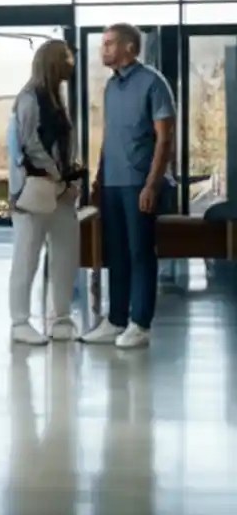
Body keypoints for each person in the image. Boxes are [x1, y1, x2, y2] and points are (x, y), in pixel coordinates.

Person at [82, 23, 177, 349]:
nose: (103, 50)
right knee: (116, 254)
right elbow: (110, 136)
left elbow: (165, 139)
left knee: (140, 253)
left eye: (109, 44)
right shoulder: (110, 87)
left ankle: (140, 323)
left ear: (130, 49)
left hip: (140, 183)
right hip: (112, 184)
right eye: (103, 44)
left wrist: (152, 185)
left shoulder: (153, 83)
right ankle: (116, 319)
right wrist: (98, 178)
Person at [6, 39, 84, 345]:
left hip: (61, 192)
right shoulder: (29, 99)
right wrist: (57, 173)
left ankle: (61, 317)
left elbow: (64, 143)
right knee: (27, 257)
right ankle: (20, 322)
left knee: (66, 255)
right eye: (67, 56)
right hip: (34, 191)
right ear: (54, 62)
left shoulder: (57, 98)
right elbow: (29, 145)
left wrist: (70, 175)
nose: (71, 61)